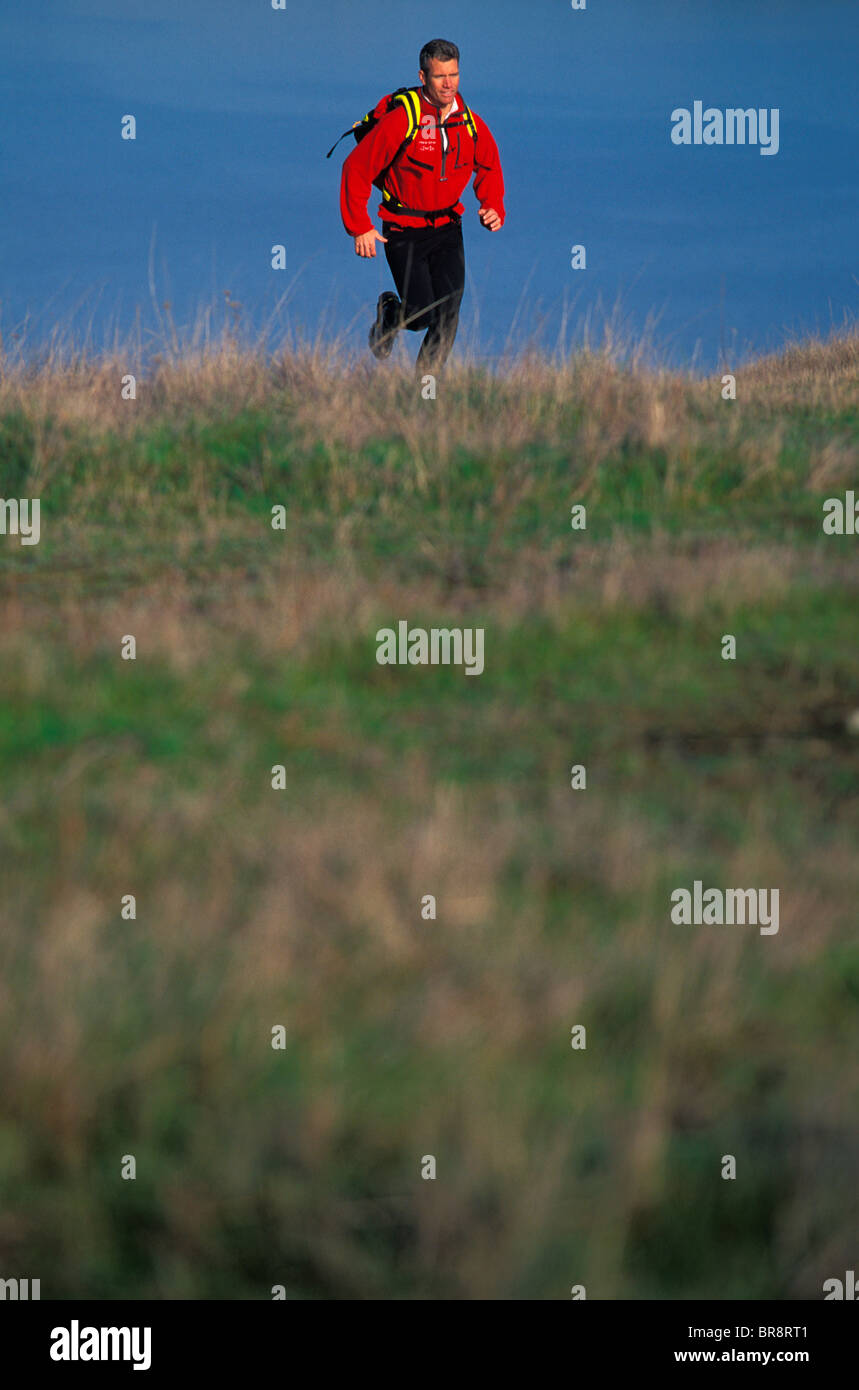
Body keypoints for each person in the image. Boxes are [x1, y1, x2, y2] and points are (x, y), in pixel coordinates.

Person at [340, 38, 506, 375]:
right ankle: (390, 313)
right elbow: (356, 168)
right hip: (403, 229)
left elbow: (488, 164)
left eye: (454, 75)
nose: (448, 83)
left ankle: (424, 393)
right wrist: (359, 226)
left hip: (447, 229)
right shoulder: (404, 120)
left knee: (448, 315)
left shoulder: (469, 123)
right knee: (421, 314)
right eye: (439, 76)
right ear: (422, 76)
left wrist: (492, 205)